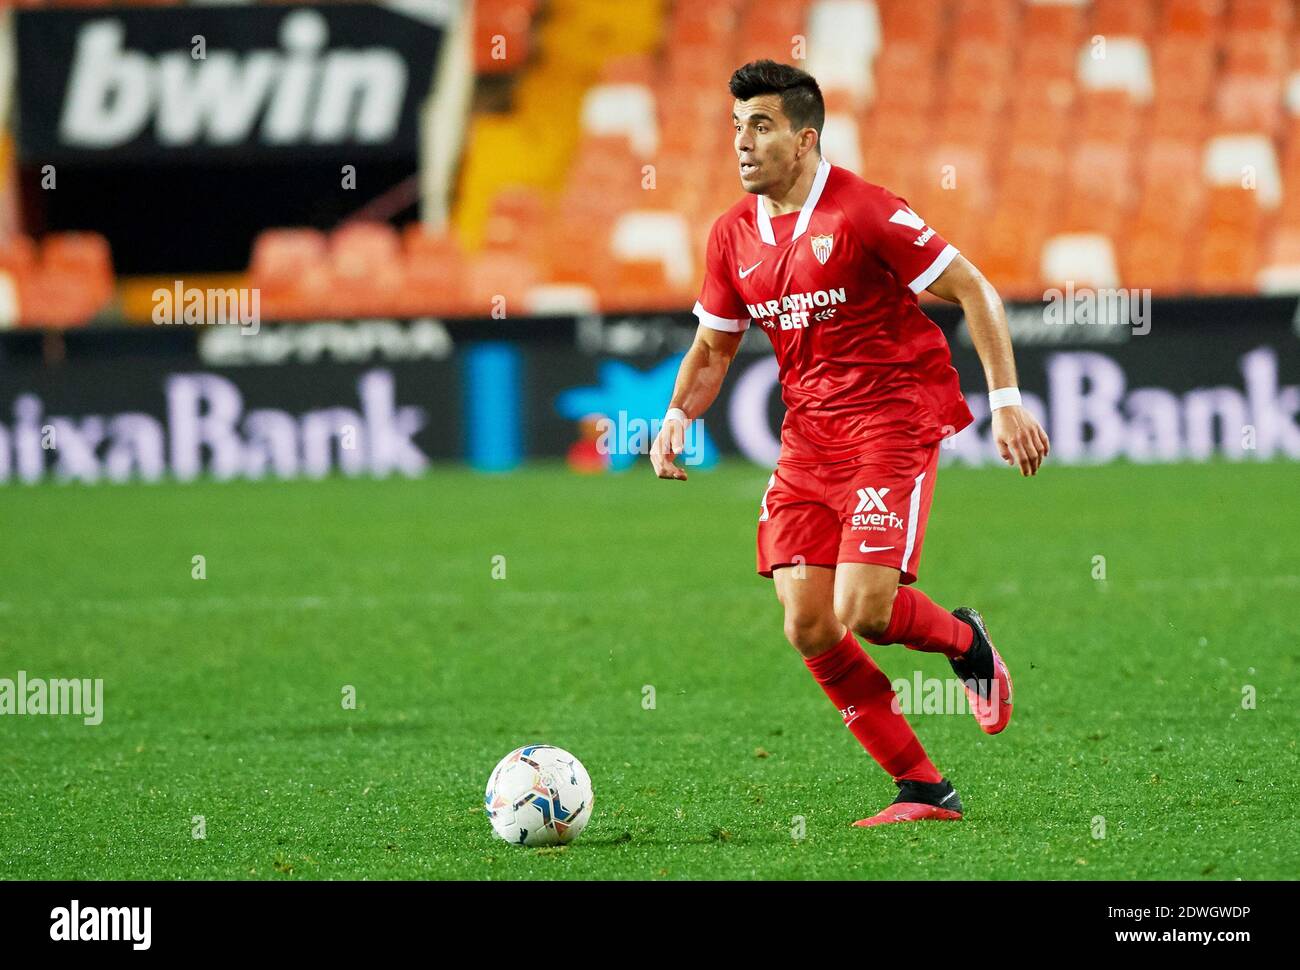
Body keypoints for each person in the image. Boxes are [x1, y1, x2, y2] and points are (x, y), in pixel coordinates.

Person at [649, 60, 1050, 826]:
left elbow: (975, 289)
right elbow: (713, 349)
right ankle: (923, 788)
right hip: (808, 438)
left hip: (891, 423)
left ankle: (966, 644)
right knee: (807, 621)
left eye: (760, 126)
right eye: (735, 126)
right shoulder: (731, 235)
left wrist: (1006, 403)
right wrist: (676, 416)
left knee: (865, 609)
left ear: (803, 140)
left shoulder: (865, 212)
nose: (741, 143)